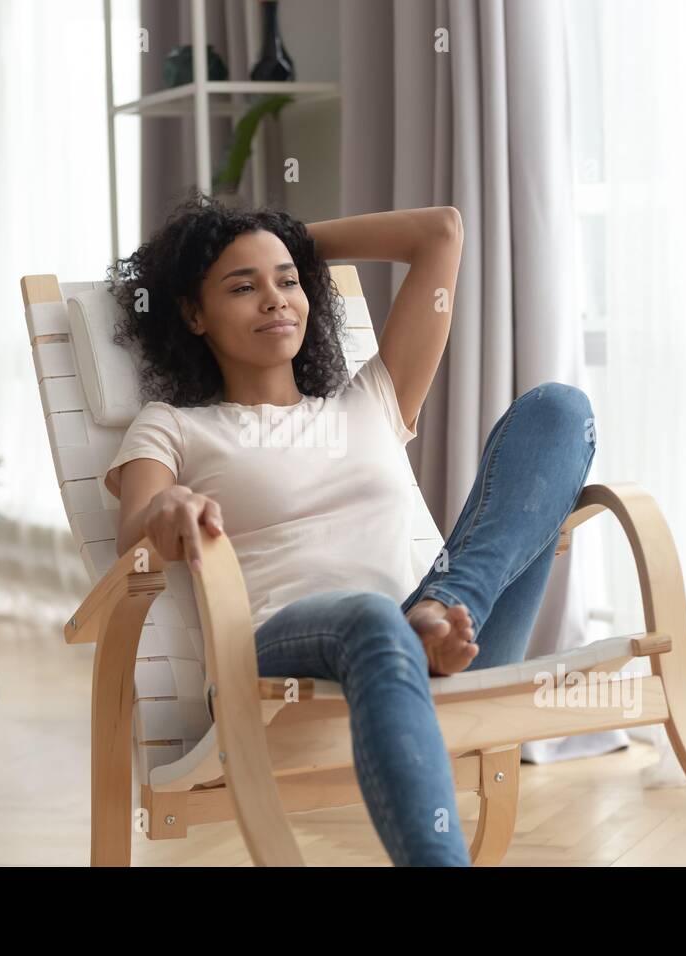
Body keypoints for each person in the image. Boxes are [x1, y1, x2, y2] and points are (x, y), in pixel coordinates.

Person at [102, 189, 596, 866]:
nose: (276, 300)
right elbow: (134, 529)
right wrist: (165, 511)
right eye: (242, 288)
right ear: (193, 313)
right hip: (276, 657)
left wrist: (280, 238)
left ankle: (441, 609)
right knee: (372, 616)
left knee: (560, 410)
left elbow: (440, 232)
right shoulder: (176, 425)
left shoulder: (371, 401)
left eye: (289, 282)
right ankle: (420, 626)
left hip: (439, 641)